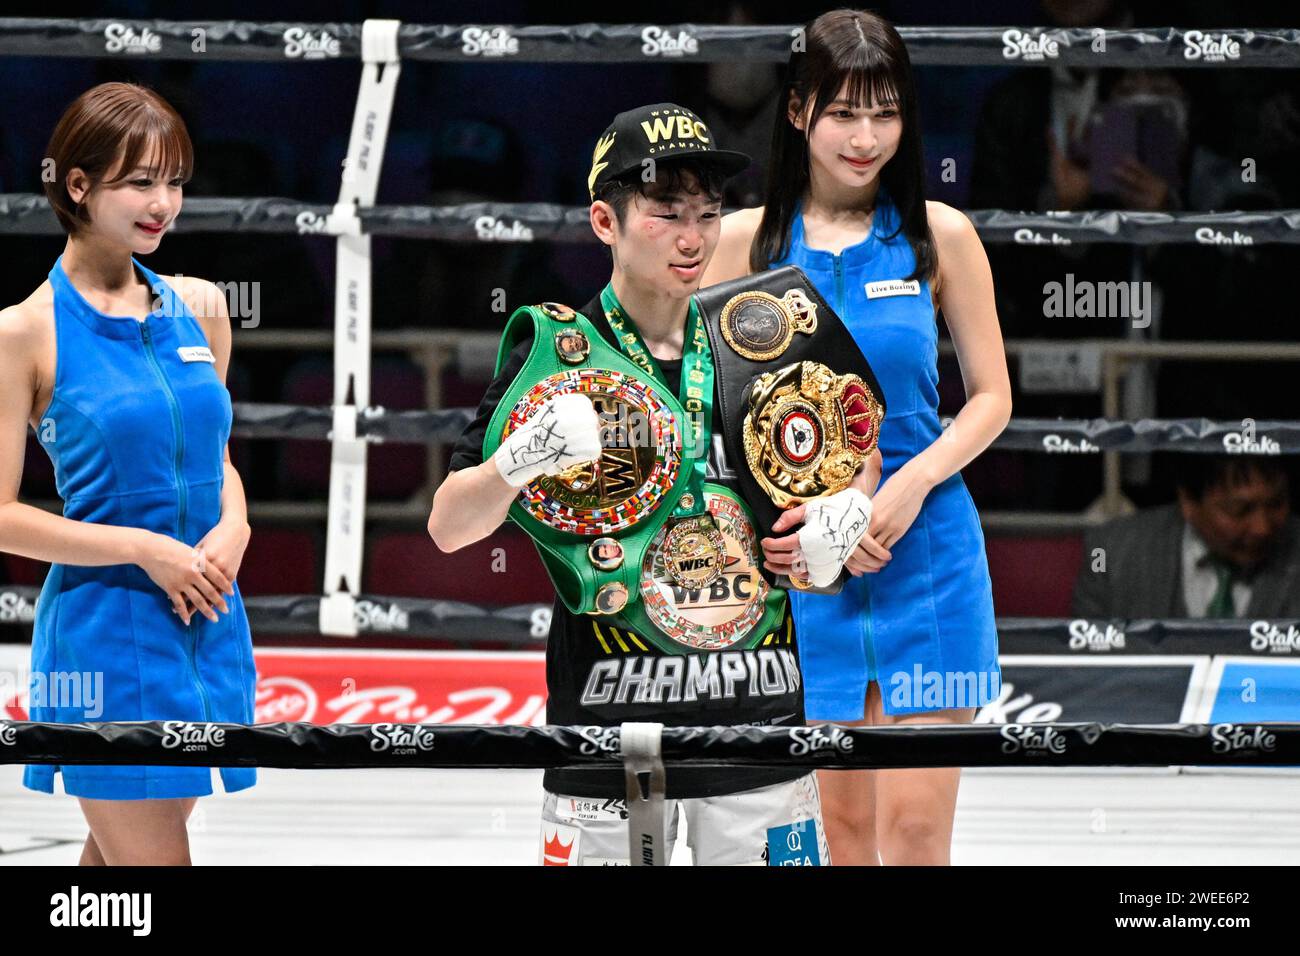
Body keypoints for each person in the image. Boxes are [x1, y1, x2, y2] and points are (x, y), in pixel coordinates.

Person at [429, 103, 880, 866]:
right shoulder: (559, 357)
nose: (692, 236)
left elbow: (854, 450)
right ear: (604, 219)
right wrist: (519, 460)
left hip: (757, 723)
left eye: (708, 214)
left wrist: (842, 516)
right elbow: (448, 527)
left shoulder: (763, 334)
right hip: (606, 728)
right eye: (666, 213)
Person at [702, 9, 1011, 865]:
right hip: (804, 561)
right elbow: (703, 414)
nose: (865, 136)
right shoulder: (738, 244)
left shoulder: (941, 235)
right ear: (799, 111)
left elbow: (991, 399)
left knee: (916, 835)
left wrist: (910, 486)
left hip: (930, 548)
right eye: (844, 112)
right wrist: (793, 518)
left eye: (886, 112)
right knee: (839, 837)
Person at [0, 82, 256, 865]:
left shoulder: (205, 306)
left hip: (207, 617)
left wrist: (236, 525)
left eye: (175, 180)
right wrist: (144, 549)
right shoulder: (23, 330)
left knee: (116, 876)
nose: (164, 202)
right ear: (77, 185)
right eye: (141, 181)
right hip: (105, 633)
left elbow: (217, 456)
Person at [1073, 456, 1300, 619]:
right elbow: (1087, 665)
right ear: (1188, 503)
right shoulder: (1106, 551)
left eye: (1276, 504)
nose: (1262, 528)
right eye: (1239, 510)